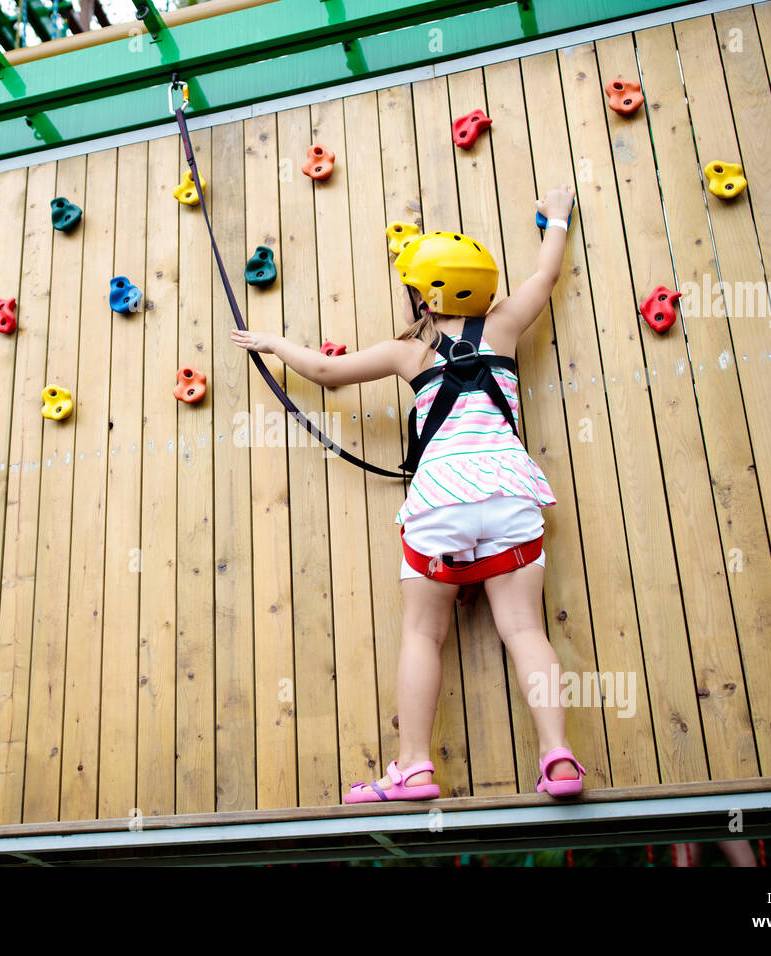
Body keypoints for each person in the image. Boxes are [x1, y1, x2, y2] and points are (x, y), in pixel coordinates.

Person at [230, 186, 583, 803]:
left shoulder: (408, 350)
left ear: (422, 294)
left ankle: (415, 768)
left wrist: (273, 344)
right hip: (508, 492)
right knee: (526, 629)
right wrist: (556, 213)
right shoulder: (504, 323)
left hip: (441, 500)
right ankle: (559, 760)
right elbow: (547, 273)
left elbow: (326, 373)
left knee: (423, 635)